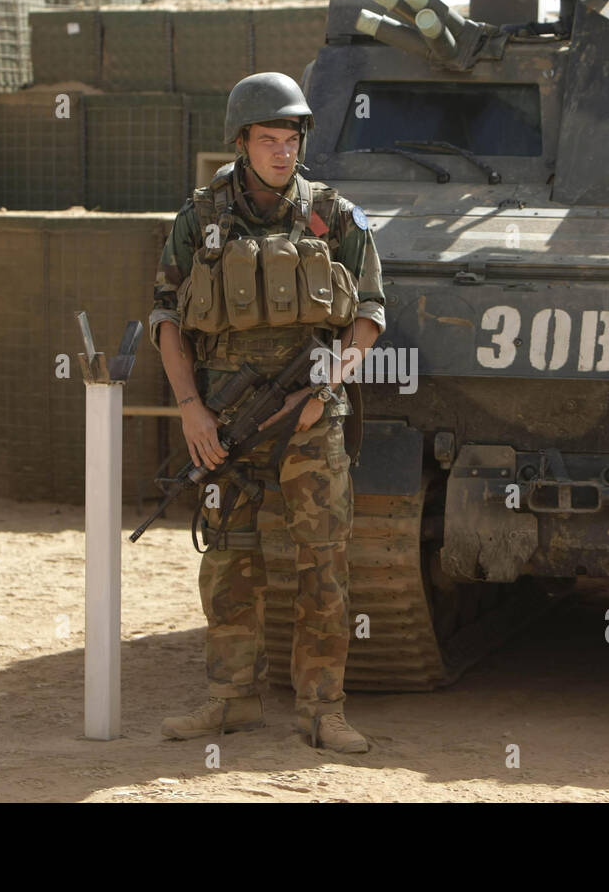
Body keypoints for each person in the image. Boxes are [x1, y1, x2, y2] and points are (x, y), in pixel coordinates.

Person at [150, 72, 385, 753]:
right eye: (268, 140)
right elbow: (166, 316)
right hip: (224, 423)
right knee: (228, 562)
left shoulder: (335, 214)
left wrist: (323, 393)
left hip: (311, 421)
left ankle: (322, 709)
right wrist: (191, 410)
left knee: (323, 564)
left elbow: (368, 316)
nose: (282, 153)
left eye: (291, 140)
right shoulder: (200, 216)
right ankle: (231, 700)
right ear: (241, 142)